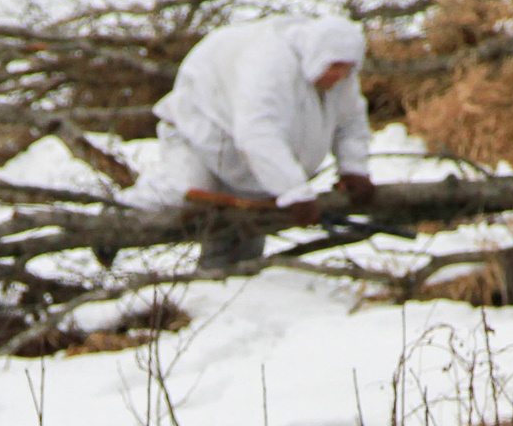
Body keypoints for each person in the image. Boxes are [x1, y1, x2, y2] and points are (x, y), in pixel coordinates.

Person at [123, 16, 377, 270]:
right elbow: (258, 133)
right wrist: (293, 191)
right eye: (336, 67)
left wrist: (353, 169)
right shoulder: (269, 64)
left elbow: (350, 123)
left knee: (243, 234)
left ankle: (221, 281)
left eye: (347, 69)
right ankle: (118, 219)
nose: (340, 76)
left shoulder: (338, 78)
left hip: (247, 163)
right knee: (187, 190)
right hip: (199, 135)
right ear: (317, 56)